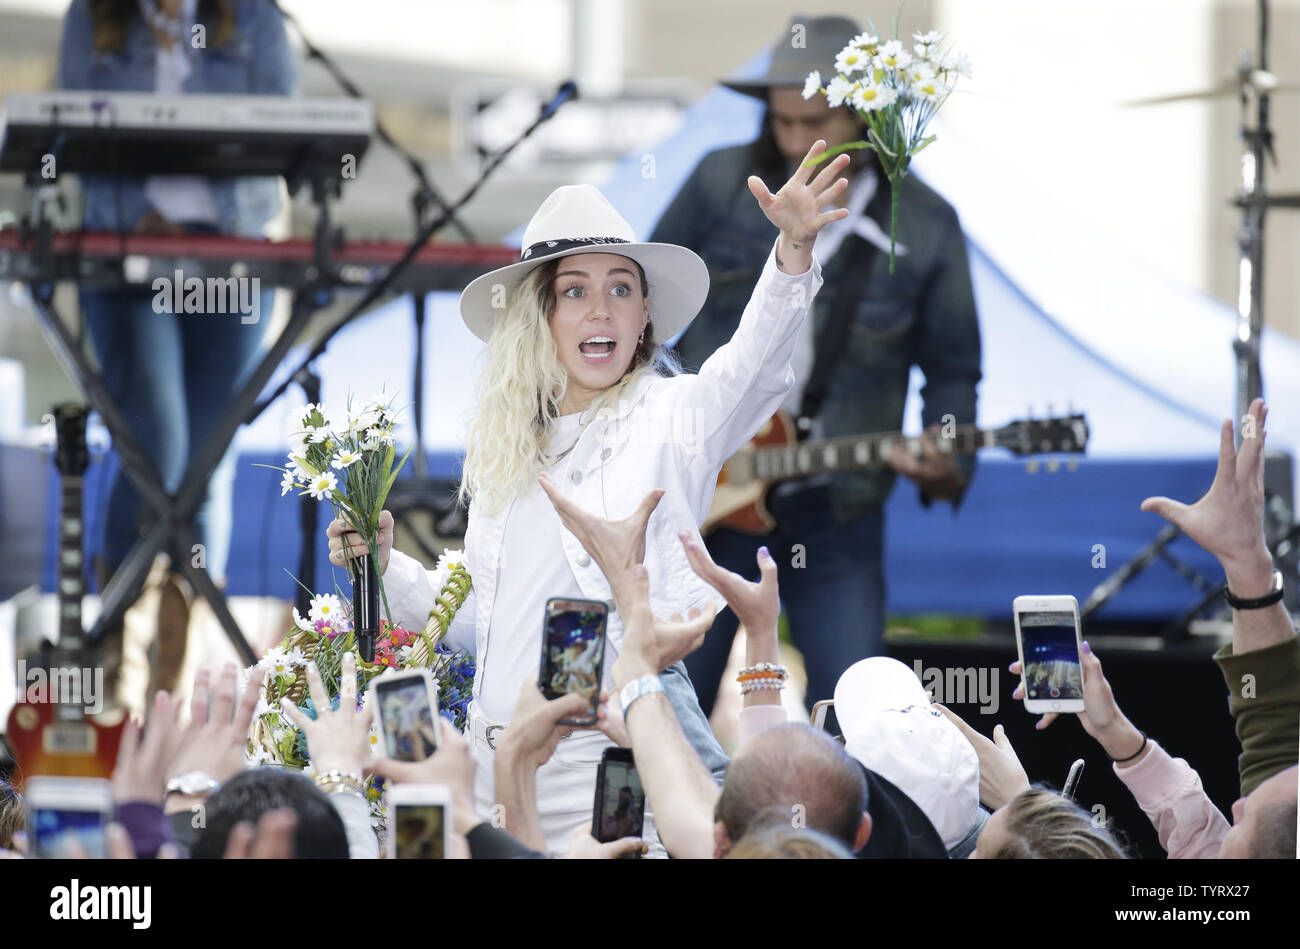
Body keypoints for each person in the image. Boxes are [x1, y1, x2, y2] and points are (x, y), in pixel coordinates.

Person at [328, 151, 850, 854]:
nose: (599, 308)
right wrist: (385, 566)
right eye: (573, 290)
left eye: (619, 288)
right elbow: (488, 623)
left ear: (644, 316)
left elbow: (752, 370)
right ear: (538, 316)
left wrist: (792, 251)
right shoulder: (512, 447)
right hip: (490, 777)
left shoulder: (673, 415)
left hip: (607, 775)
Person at [649, 14, 982, 715]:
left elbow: (953, 369)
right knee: (664, 704)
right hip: (707, 490)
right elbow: (638, 312)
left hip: (838, 510)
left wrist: (948, 448)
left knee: (860, 713)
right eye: (783, 122)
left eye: (816, 122)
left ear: (867, 115)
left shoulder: (925, 224)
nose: (797, 141)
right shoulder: (719, 183)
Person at [58, 0, 296, 707]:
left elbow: (283, 137)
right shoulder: (92, 15)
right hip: (125, 255)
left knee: (205, 463)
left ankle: (172, 688)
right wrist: (140, 222)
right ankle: (109, 665)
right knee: (155, 440)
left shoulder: (253, 16)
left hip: (229, 261)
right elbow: (73, 137)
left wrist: (205, 228)